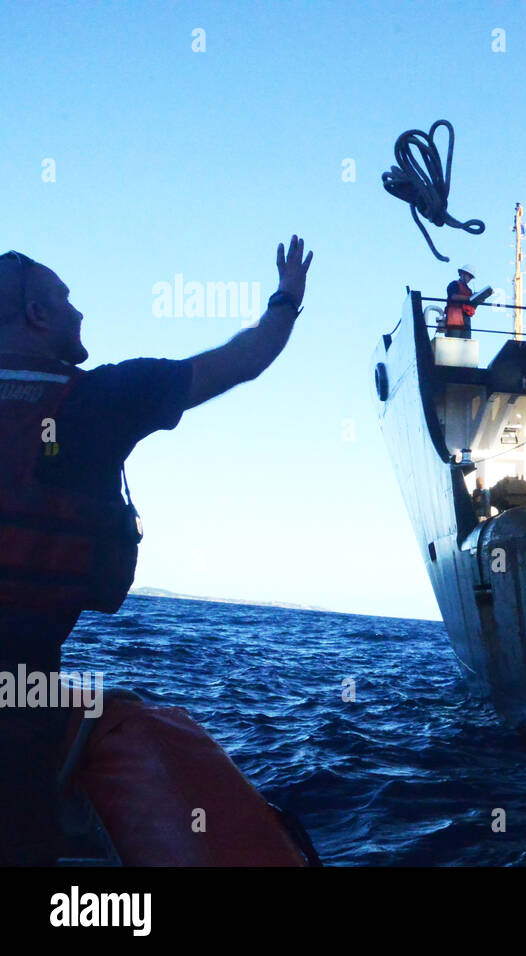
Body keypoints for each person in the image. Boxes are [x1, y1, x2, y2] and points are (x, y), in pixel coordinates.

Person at [0, 236, 313, 865]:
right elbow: (244, 359)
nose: (79, 312)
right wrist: (286, 299)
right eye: (66, 300)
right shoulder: (102, 399)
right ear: (37, 315)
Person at [444, 264, 477, 339]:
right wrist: (470, 298)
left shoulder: (469, 291)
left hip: (466, 320)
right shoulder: (454, 284)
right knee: (453, 341)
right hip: (455, 318)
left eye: (471, 277)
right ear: (462, 273)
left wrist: (478, 299)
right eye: (469, 276)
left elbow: (471, 307)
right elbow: (453, 297)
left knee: (466, 343)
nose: (470, 278)